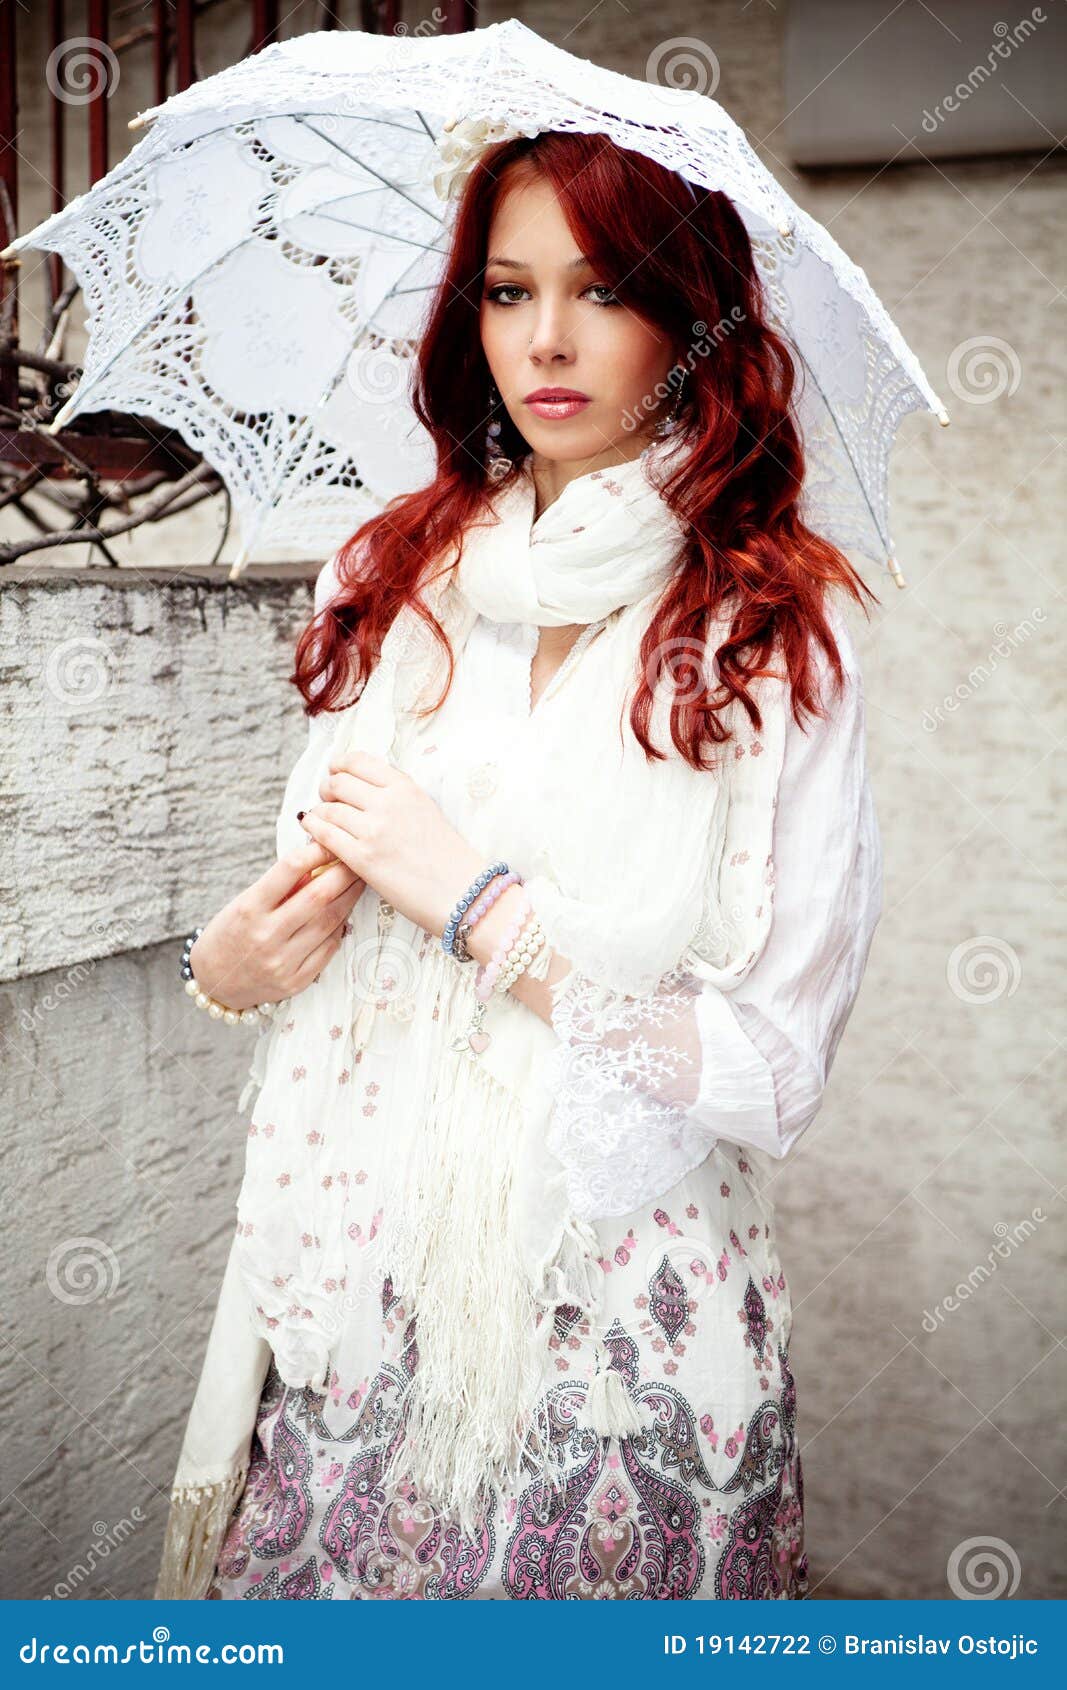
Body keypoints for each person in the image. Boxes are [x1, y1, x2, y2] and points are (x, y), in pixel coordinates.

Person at [155, 128, 882, 1601]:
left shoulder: (766, 636)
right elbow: (310, 916)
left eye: (602, 289)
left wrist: (481, 908)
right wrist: (224, 966)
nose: (545, 339)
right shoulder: (398, 582)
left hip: (622, 1330)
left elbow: (772, 1070)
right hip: (357, 1307)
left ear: (691, 322)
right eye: (506, 290)